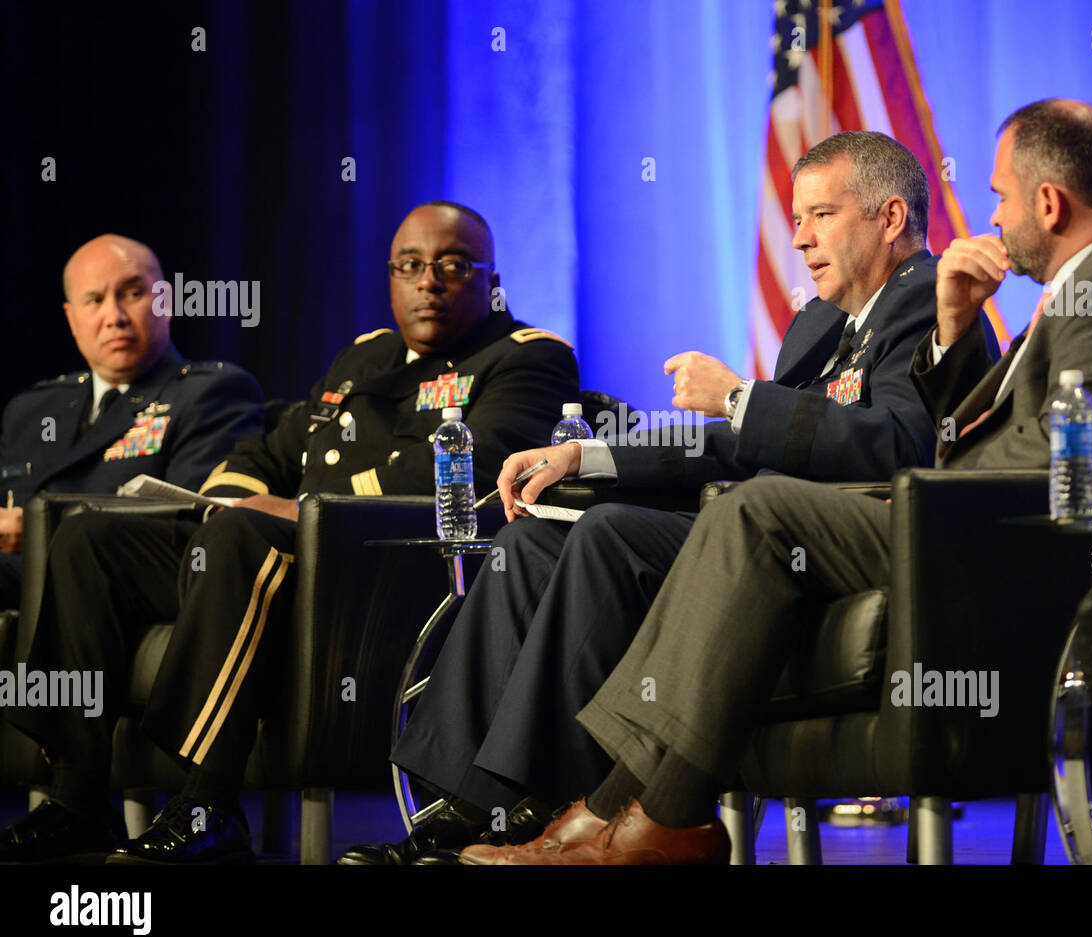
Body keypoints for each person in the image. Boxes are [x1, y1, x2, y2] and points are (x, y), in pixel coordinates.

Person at [459, 99, 1092, 865]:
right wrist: (954, 330)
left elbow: (1059, 464)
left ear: (1048, 203)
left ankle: (650, 818)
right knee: (736, 513)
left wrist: (914, 488)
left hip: (995, 548)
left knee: (757, 514)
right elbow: (975, 438)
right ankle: (622, 814)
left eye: (1000, 197)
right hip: (954, 522)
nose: (992, 215)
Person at [341, 132, 999, 865]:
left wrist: (742, 399)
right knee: (527, 542)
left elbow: (900, 443)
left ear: (890, 218)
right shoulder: (819, 324)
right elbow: (741, 444)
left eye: (821, 215)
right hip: (754, 531)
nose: (800, 238)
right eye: (797, 216)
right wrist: (586, 454)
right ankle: (463, 806)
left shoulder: (926, 301)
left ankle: (528, 805)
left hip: (806, 548)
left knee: (610, 536)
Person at [0, 201, 580, 864]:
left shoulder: (527, 358)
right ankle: (76, 799)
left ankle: (208, 805)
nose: (429, 281)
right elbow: (266, 453)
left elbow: (472, 462)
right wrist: (228, 500)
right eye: (411, 266)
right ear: (391, 276)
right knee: (88, 541)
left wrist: (304, 510)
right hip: (273, 550)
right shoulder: (362, 359)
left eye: (451, 265)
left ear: (490, 278)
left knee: (242, 539)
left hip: (378, 569)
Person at [0, 234, 264, 608]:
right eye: (94, 300)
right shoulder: (31, 409)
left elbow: (190, 532)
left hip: (111, 585)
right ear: (71, 319)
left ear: (166, 302)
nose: (114, 318)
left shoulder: (211, 392)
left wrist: (38, 533)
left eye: (132, 294)